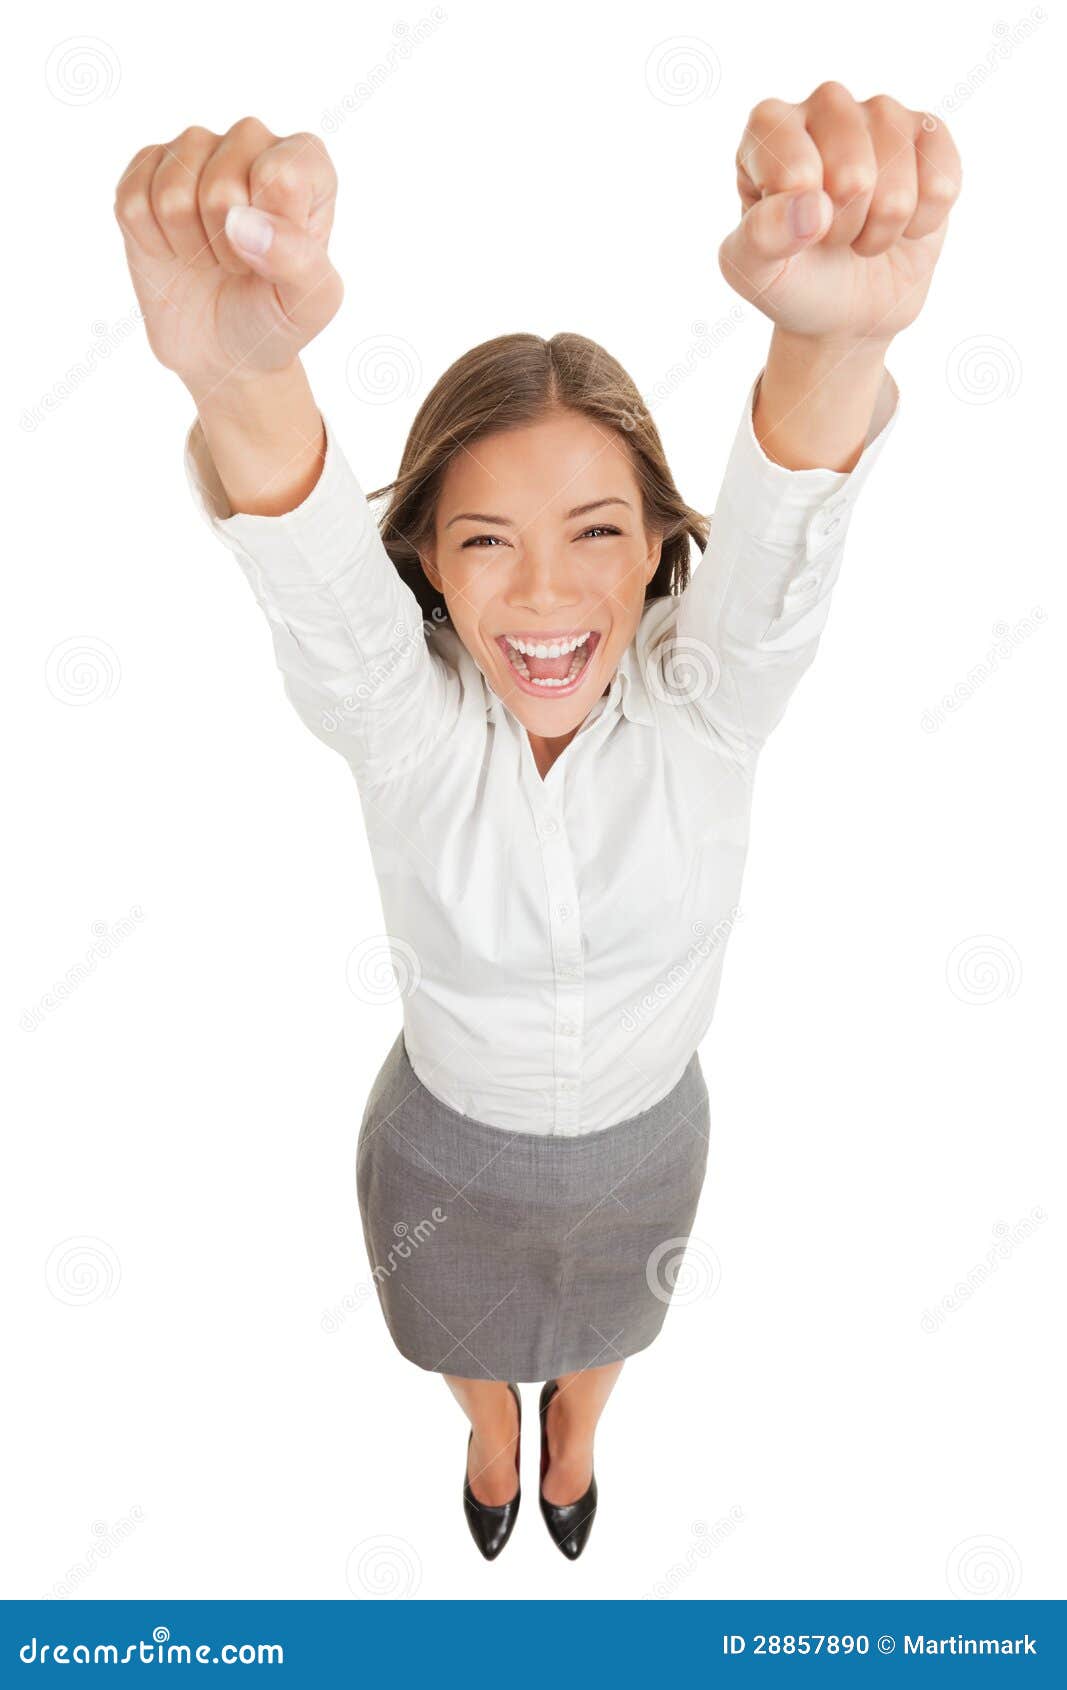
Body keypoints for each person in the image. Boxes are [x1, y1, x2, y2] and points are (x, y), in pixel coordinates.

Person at [113, 85, 961, 1561]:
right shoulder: (407, 722)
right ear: (430, 569)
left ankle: (574, 1430)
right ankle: (490, 1430)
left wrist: (836, 338)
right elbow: (322, 595)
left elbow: (775, 572)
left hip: (650, 1141)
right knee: (453, 1322)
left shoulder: (710, 703)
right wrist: (239, 379)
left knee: (612, 1312)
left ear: (656, 554)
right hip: (446, 1152)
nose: (549, 596)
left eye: (596, 534)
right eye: (487, 541)